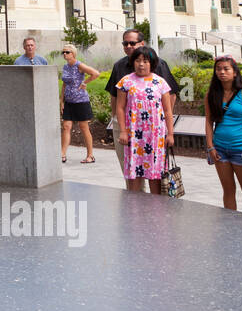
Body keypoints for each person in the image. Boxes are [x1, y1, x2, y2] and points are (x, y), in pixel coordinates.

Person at [105, 28, 180, 178]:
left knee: (154, 170)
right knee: (130, 167)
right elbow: (114, 97)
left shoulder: (158, 65)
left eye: (132, 43)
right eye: (125, 43)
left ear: (142, 43)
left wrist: (162, 121)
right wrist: (117, 121)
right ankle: (135, 200)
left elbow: (170, 95)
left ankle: (153, 201)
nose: (128, 46)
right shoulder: (119, 66)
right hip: (126, 126)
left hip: (153, 128)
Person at [113, 45, 175, 194]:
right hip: (134, 135)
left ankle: (155, 208)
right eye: (138, 60)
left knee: (155, 173)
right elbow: (120, 108)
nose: (141, 64)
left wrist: (170, 134)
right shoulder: (126, 81)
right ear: (133, 62)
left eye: (146, 61)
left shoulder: (160, 83)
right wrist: (123, 131)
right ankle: (134, 207)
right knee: (135, 172)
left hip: (155, 136)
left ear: (152, 63)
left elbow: (167, 110)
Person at [204, 56, 242, 216]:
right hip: (220, 148)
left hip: (241, 148)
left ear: (235, 72)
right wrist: (210, 147)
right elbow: (208, 122)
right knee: (228, 190)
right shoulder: (211, 94)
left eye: (226, 69)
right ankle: (230, 226)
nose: (222, 72)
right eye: (218, 69)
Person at [58, 43, 100, 163]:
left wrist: (85, 82)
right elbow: (64, 84)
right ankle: (62, 154)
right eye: (63, 52)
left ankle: (90, 155)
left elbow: (95, 73)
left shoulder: (79, 65)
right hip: (69, 102)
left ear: (73, 53)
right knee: (66, 126)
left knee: (83, 127)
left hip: (81, 101)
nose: (65, 54)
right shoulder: (65, 67)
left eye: (67, 52)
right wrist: (61, 100)